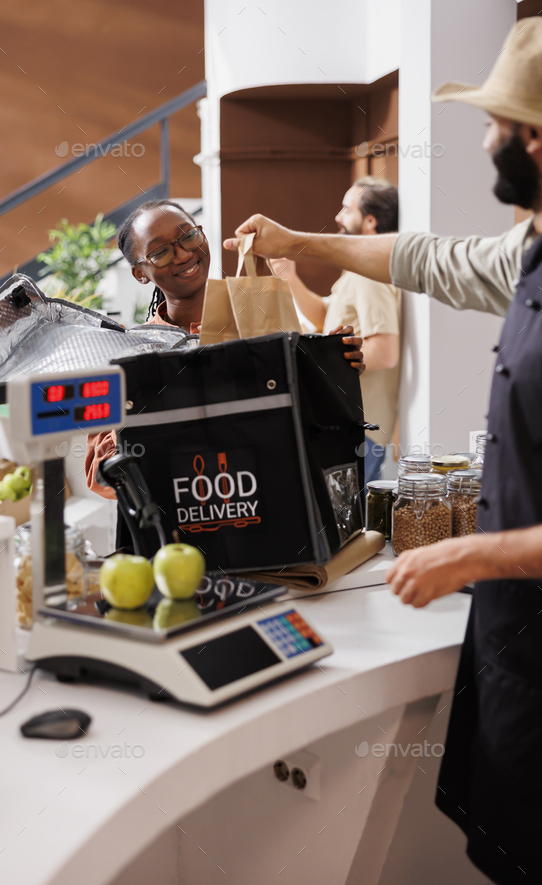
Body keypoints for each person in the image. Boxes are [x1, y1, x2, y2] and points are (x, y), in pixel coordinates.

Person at [224, 18, 542, 884]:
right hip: (520, 637)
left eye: (496, 123)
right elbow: (423, 259)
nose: (484, 139)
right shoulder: (531, 249)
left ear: (536, 138)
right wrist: (299, 244)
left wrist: (475, 548)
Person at [85, 199, 366, 500]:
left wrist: (331, 363)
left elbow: (308, 416)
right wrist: (140, 419)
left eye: (189, 236)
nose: (182, 254)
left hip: (274, 502)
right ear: (140, 273)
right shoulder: (133, 356)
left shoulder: (261, 319)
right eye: (160, 252)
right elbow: (100, 474)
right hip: (189, 519)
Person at [269, 177, 401, 482]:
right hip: (352, 426)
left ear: (369, 221)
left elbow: (384, 350)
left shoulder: (370, 273)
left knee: (347, 525)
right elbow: (325, 314)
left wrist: (320, 366)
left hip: (359, 430)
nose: (338, 217)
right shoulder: (359, 271)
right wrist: (290, 277)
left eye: (346, 209)